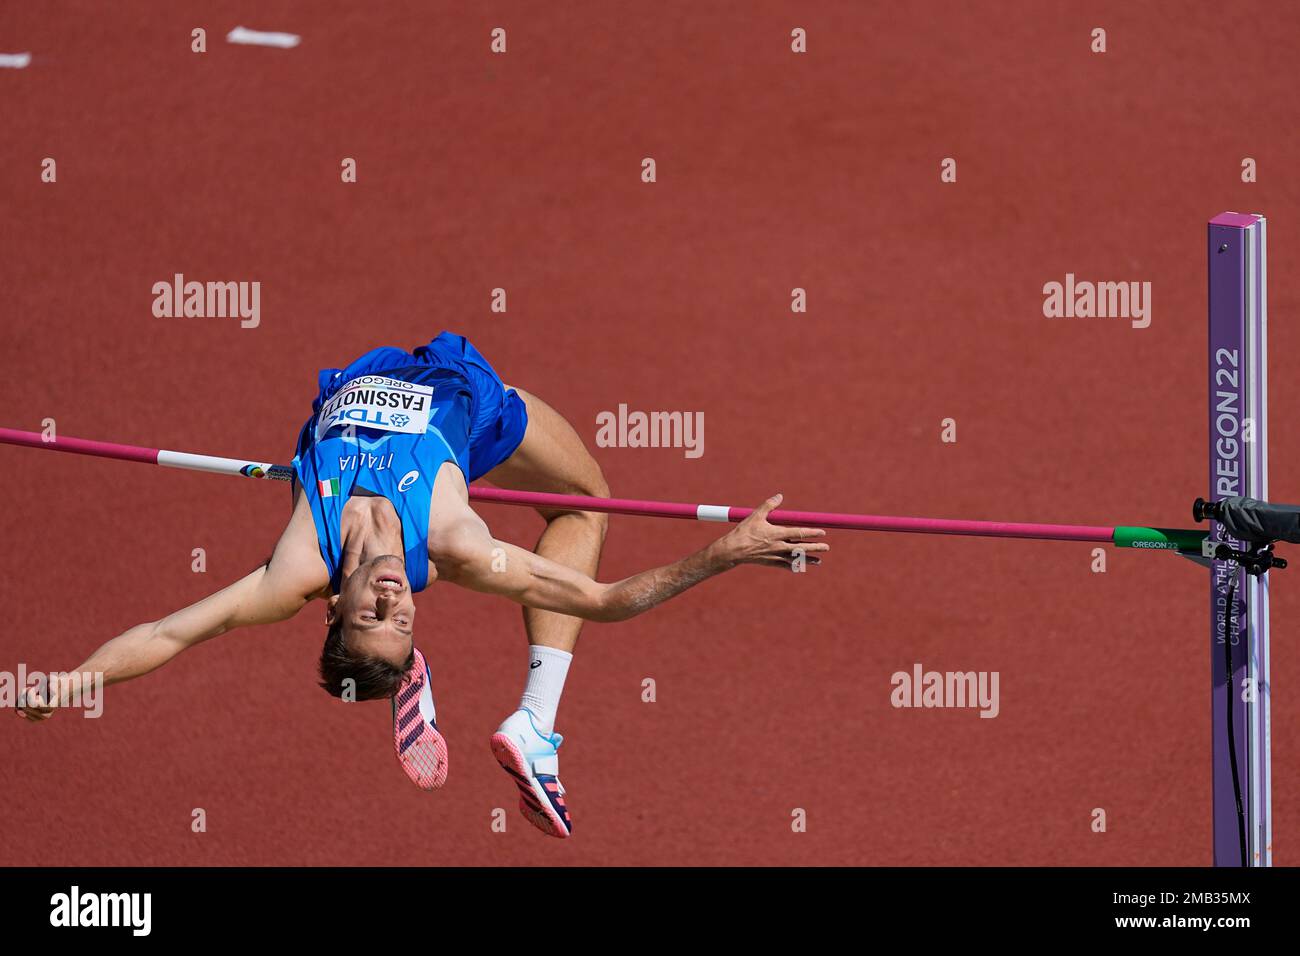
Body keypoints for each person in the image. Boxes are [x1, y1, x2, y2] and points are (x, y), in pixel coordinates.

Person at [17, 331, 829, 838]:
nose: (391, 601)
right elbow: (605, 602)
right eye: (401, 621)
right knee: (586, 504)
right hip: (463, 402)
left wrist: (74, 678)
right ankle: (536, 724)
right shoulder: (458, 544)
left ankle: (481, 705)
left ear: (330, 606)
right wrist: (721, 555)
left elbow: (168, 633)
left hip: (357, 392)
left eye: (372, 612)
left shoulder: (297, 565)